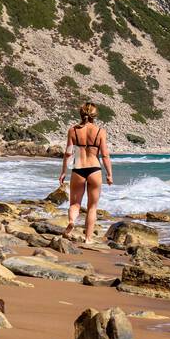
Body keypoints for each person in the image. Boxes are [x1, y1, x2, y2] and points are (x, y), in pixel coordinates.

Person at [57, 102, 113, 243]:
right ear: (95, 115)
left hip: (78, 169)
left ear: (81, 114)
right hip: (94, 169)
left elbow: (68, 153)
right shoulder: (100, 132)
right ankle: (88, 238)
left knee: (74, 204)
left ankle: (71, 221)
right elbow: (105, 155)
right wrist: (109, 174)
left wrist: (63, 171)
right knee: (92, 207)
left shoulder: (73, 130)